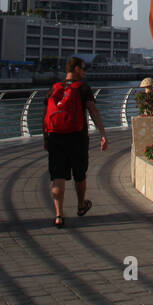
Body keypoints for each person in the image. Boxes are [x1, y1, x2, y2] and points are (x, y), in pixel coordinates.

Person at [43, 56, 109, 227]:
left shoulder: (54, 88)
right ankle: (80, 206)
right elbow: (93, 111)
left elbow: (45, 116)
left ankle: (59, 215)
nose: (85, 72)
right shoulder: (83, 88)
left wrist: (46, 139)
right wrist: (103, 134)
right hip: (77, 137)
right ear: (77, 69)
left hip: (55, 137)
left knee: (58, 175)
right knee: (79, 174)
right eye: (83, 68)